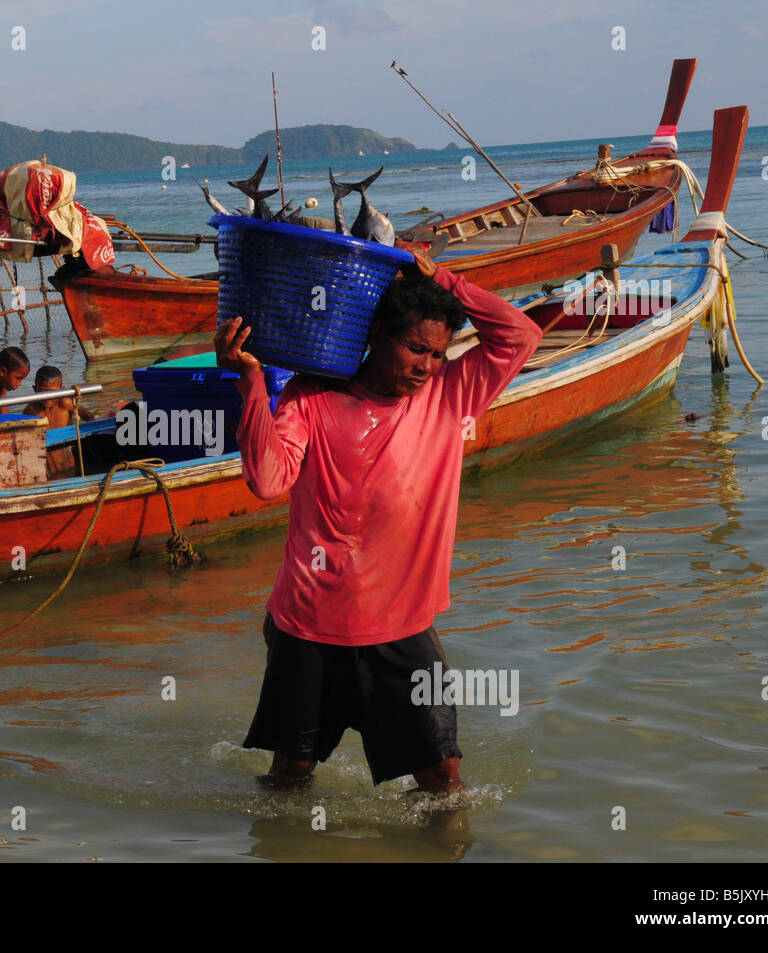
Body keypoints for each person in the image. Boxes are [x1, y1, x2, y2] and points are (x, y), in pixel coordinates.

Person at [214, 249, 542, 795]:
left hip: (402, 627)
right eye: (415, 348)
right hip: (308, 624)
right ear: (376, 336)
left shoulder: (450, 395)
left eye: (438, 354)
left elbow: (519, 336)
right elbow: (269, 481)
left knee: (442, 780)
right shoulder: (311, 396)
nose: (426, 366)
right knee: (291, 773)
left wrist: (442, 279)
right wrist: (249, 384)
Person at [23, 365, 95, 429]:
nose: (48, 397)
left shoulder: (65, 403)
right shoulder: (30, 410)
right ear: (35, 389)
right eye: (43, 392)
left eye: (52, 392)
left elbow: (89, 417)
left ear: (61, 390)